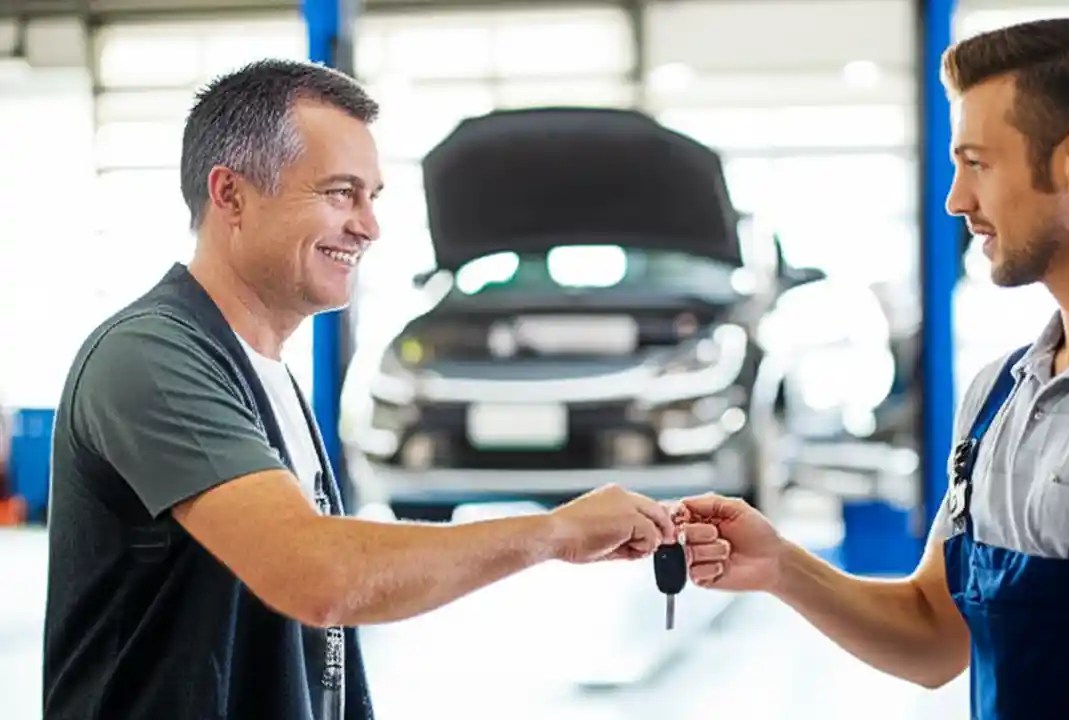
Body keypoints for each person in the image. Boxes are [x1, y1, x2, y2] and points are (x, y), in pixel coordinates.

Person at [42, 59, 697, 720]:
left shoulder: (263, 373)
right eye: (338, 193)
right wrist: (554, 532)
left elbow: (319, 635)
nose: (368, 226)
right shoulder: (152, 358)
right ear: (231, 195)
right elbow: (318, 576)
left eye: (372, 196)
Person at [677, 17, 1069, 720]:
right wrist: (781, 566)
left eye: (977, 163)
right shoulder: (1001, 395)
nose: (957, 200)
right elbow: (934, 634)